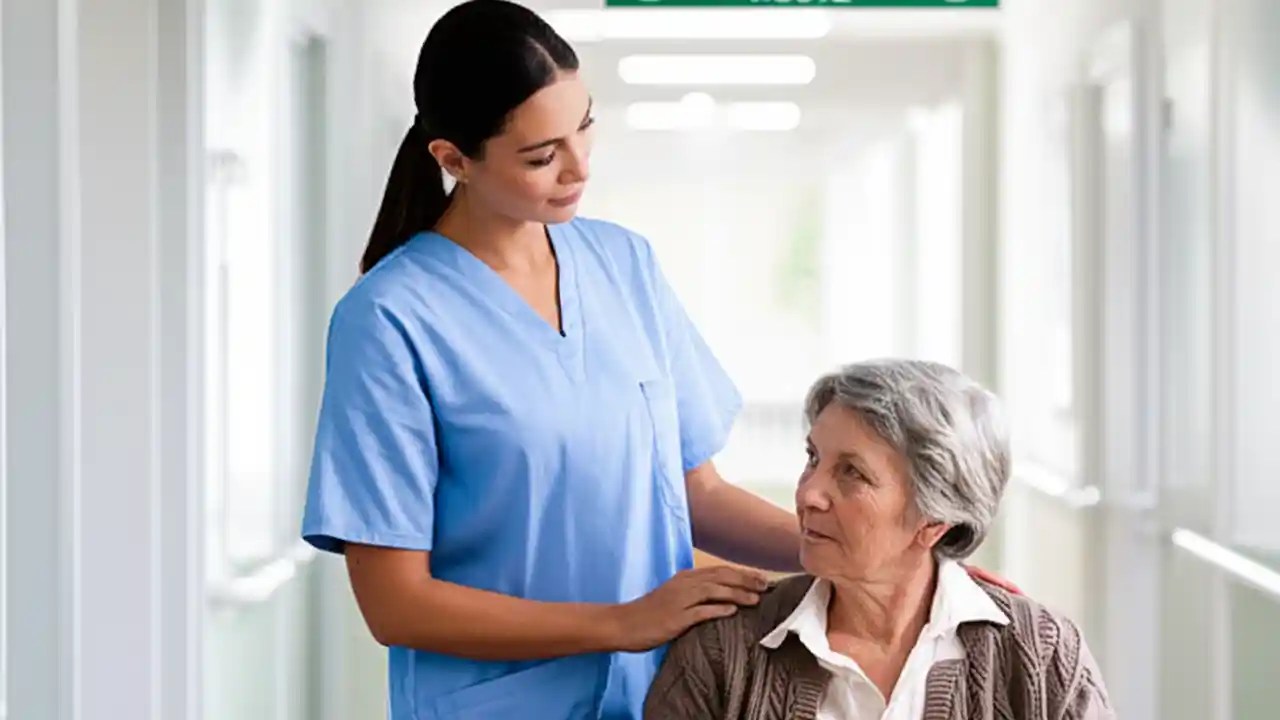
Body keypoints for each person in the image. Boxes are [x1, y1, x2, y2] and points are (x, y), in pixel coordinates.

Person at [300, 1, 1009, 717]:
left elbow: (696, 494)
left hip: (666, 693)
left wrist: (892, 561)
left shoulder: (621, 264)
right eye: (542, 156)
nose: (578, 167)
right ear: (453, 159)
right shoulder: (389, 319)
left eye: (583, 127)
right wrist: (622, 623)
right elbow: (395, 605)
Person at [645, 360, 1114, 720]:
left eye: (852, 473)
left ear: (934, 521)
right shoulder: (723, 651)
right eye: (813, 458)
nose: (808, 493)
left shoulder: (1039, 652)